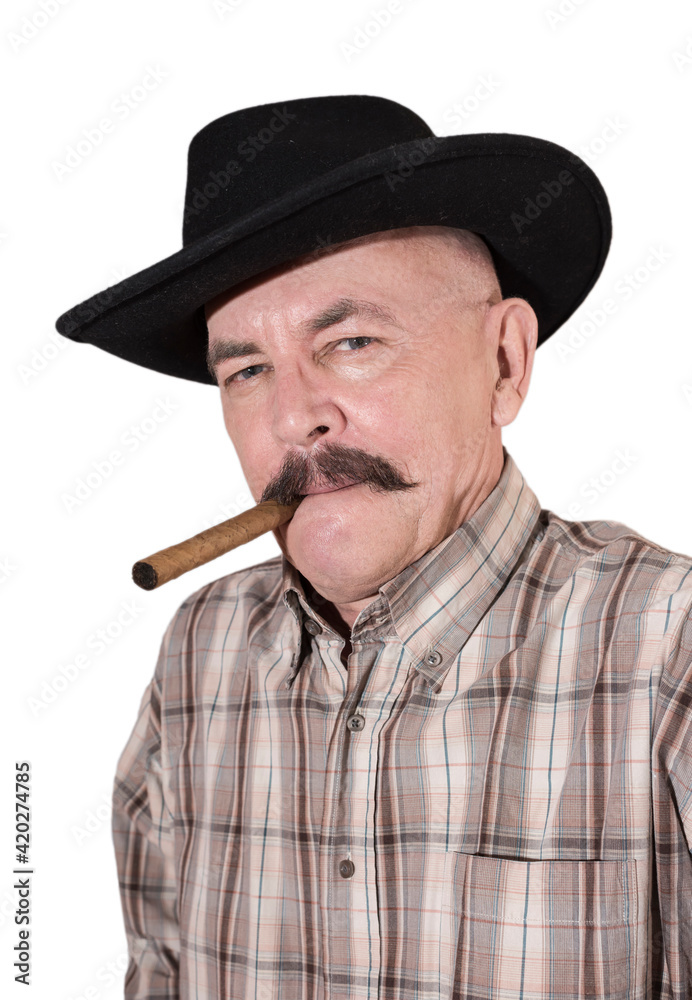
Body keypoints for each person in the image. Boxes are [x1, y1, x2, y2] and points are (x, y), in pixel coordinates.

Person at [55, 96, 692, 999]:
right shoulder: (200, 655)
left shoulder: (670, 651)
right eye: (245, 370)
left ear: (505, 361)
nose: (292, 415)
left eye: (351, 341)